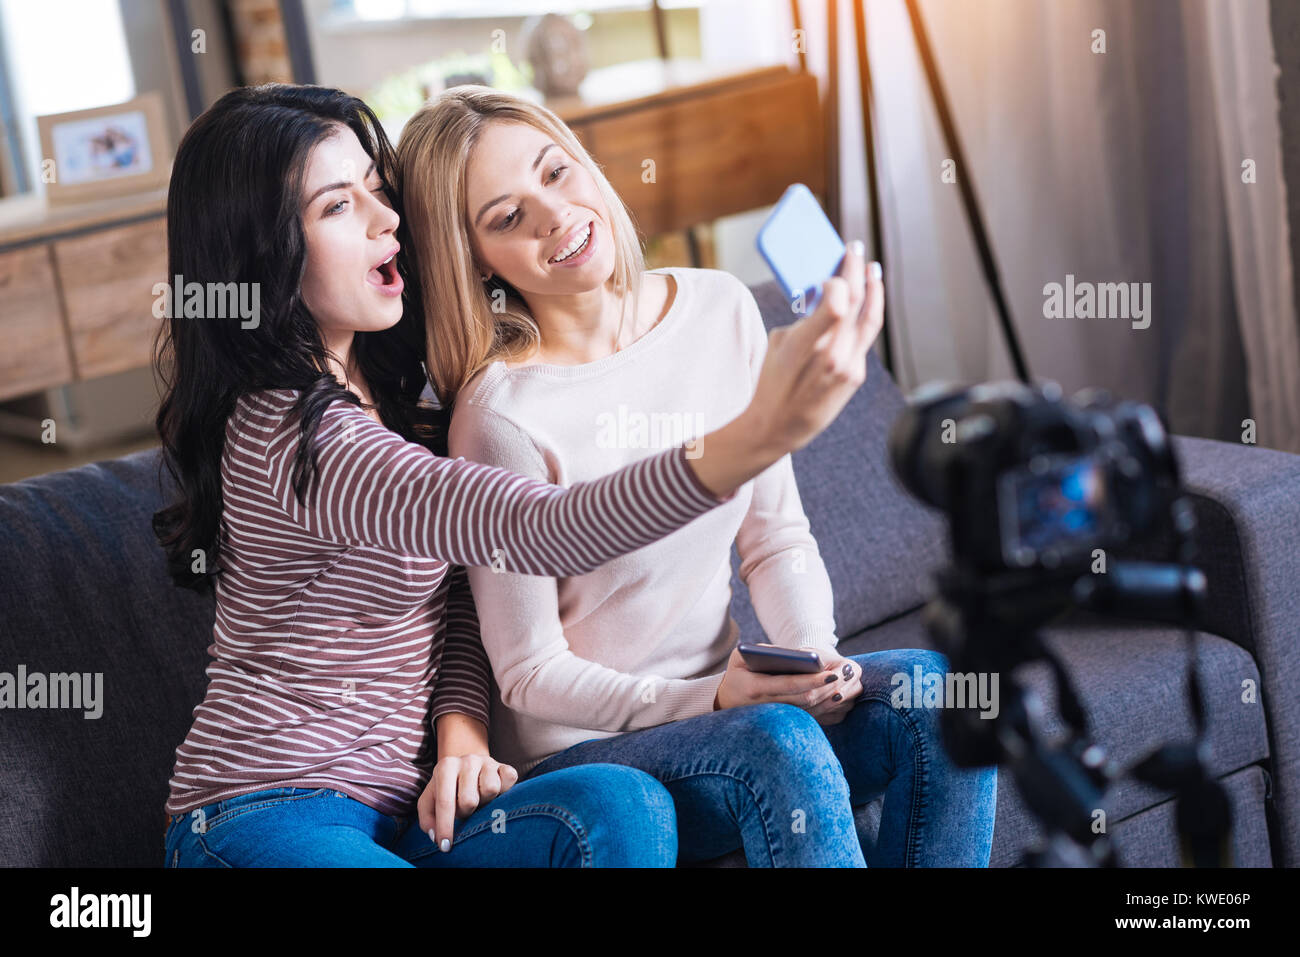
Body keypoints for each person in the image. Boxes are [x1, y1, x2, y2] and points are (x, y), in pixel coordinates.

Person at [155, 84, 875, 868]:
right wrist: (758, 434)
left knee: (618, 804)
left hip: (414, 815)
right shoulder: (295, 433)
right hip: (266, 810)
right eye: (337, 207)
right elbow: (542, 526)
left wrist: (459, 730)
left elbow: (461, 605)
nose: (386, 219)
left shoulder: (393, 405)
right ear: (265, 257)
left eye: (376, 189)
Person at [396, 85, 998, 867]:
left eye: (555, 172)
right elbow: (528, 672)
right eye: (506, 218)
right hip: (597, 755)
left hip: (735, 716)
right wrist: (706, 699)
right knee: (776, 741)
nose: (553, 215)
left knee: (933, 694)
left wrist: (818, 660)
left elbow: (776, 538)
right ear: (473, 260)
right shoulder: (502, 414)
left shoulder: (719, 309)